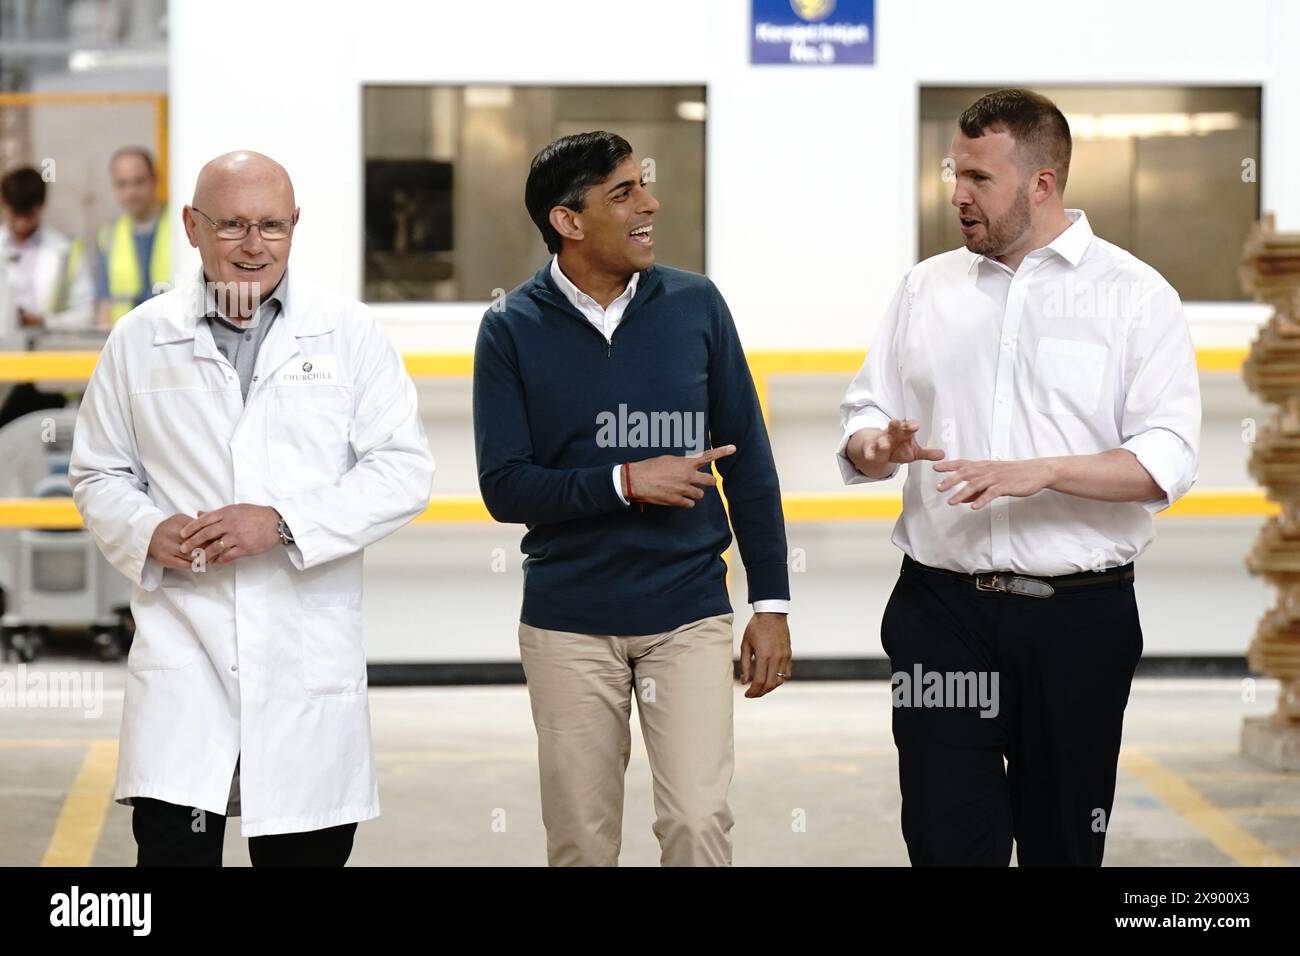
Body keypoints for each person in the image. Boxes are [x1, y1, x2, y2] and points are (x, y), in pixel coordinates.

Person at [837, 89, 1200, 866]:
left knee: (1063, 843)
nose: (959, 195)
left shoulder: (1135, 297)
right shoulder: (925, 288)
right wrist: (876, 445)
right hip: (941, 611)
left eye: (980, 178)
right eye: (954, 173)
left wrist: (1046, 471)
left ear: (1042, 184)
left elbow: (1166, 458)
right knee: (943, 839)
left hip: (1078, 621)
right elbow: (865, 412)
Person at [69, 150, 435, 866]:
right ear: (192, 227)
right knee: (175, 855)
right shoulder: (141, 340)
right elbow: (99, 473)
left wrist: (283, 521)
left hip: (305, 662)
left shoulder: (347, 334)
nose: (253, 244)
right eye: (231, 224)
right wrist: (148, 531)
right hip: (186, 652)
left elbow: (404, 470)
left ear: (295, 226)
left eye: (272, 224)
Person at [473, 131, 793, 866]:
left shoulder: (697, 305)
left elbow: (749, 462)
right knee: (582, 844)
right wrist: (625, 481)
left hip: (686, 611)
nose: (649, 204)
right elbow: (505, 484)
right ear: (569, 221)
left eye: (643, 185)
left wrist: (770, 604)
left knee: (697, 823)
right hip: (568, 624)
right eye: (623, 193)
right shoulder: (510, 328)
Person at [0, 165, 94, 426]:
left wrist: (43, 322)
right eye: (13, 212)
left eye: (26, 214)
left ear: (40, 206)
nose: (19, 222)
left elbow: (85, 315)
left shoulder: (66, 251)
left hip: (48, 373)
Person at [96, 146, 169, 326]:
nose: (131, 192)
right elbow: (105, 303)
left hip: (175, 340)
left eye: (138, 182)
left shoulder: (181, 227)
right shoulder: (109, 236)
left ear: (155, 180)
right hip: (127, 343)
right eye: (122, 184)